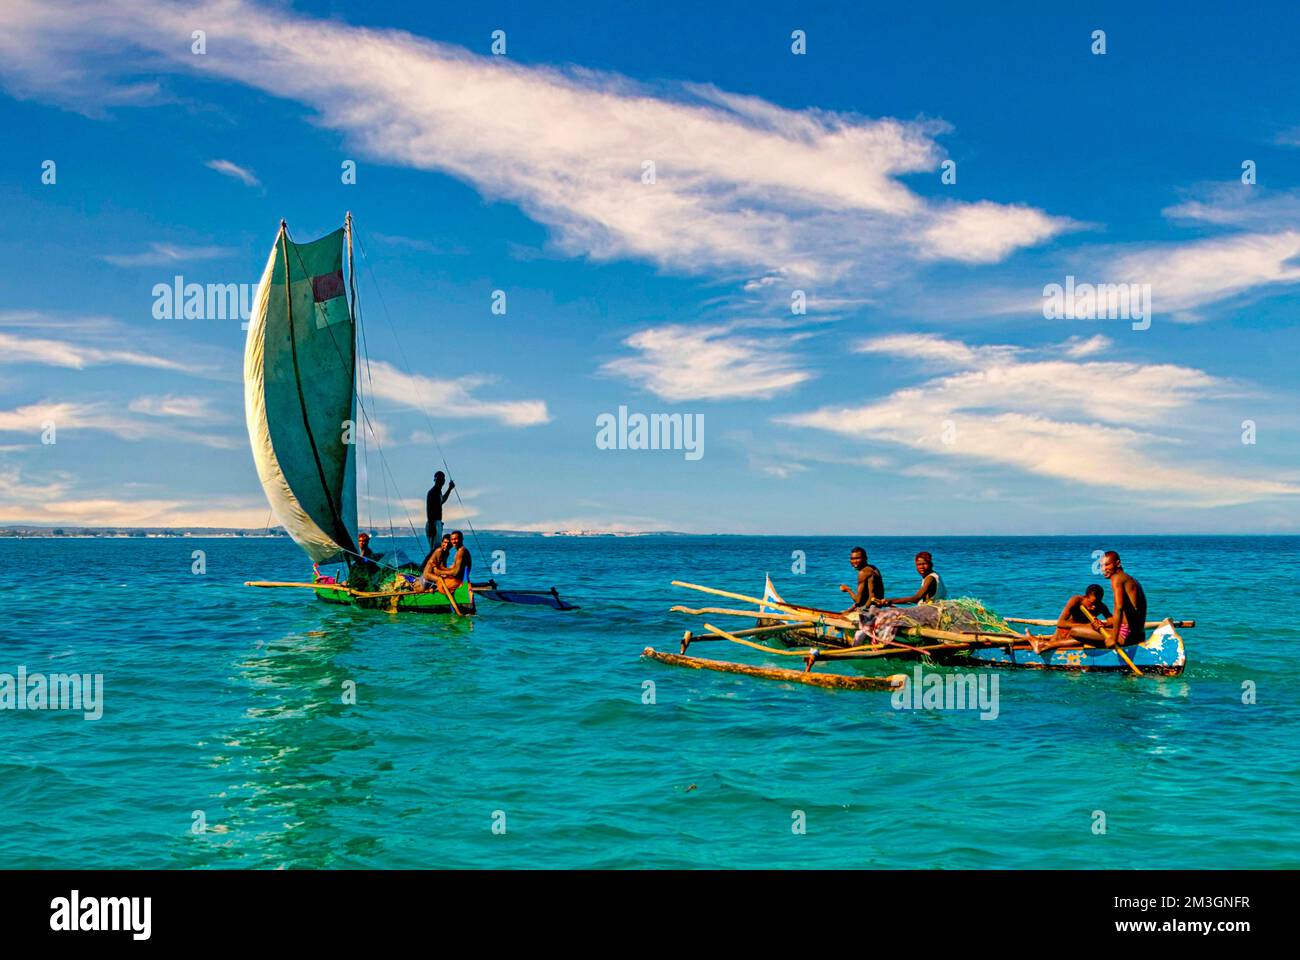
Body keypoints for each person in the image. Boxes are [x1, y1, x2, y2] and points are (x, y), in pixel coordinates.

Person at [1028, 584, 1112, 653]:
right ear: (1085, 597)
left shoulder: (1101, 606)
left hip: (1078, 637)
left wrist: (1102, 624)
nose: (1094, 607)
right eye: (1092, 603)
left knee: (1092, 636)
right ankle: (1043, 645)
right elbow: (1060, 623)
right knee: (1085, 637)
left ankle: (1041, 643)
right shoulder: (1076, 600)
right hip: (1064, 635)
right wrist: (1086, 626)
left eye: (1098, 603)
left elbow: (1112, 621)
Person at [1102, 550, 1147, 647]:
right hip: (1139, 635)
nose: (1103, 569)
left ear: (1118, 563)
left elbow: (1119, 608)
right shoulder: (1132, 580)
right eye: (1102, 566)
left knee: (1075, 632)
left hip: (1126, 636)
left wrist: (1113, 638)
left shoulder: (1116, 578)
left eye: (1107, 565)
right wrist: (1107, 625)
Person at [879, 551, 946, 606]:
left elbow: (916, 599)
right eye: (919, 564)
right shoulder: (936, 575)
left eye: (924, 563)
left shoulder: (930, 578)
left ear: (931, 564)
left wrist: (890, 600)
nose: (922, 567)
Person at [839, 546, 884, 615]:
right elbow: (868, 597)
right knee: (845, 611)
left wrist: (848, 589)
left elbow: (858, 601)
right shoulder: (873, 568)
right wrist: (850, 610)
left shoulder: (863, 573)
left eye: (858, 558)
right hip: (876, 607)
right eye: (852, 559)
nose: (854, 561)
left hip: (869, 611)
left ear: (865, 558)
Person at [425, 471, 455, 549]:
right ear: (435, 479)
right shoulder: (433, 492)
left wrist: (449, 489)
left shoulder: (438, 492)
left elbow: (442, 501)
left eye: (442, 478)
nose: (441, 480)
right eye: (439, 478)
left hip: (436, 523)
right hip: (433, 523)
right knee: (435, 549)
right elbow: (429, 510)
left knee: (437, 548)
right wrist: (432, 525)